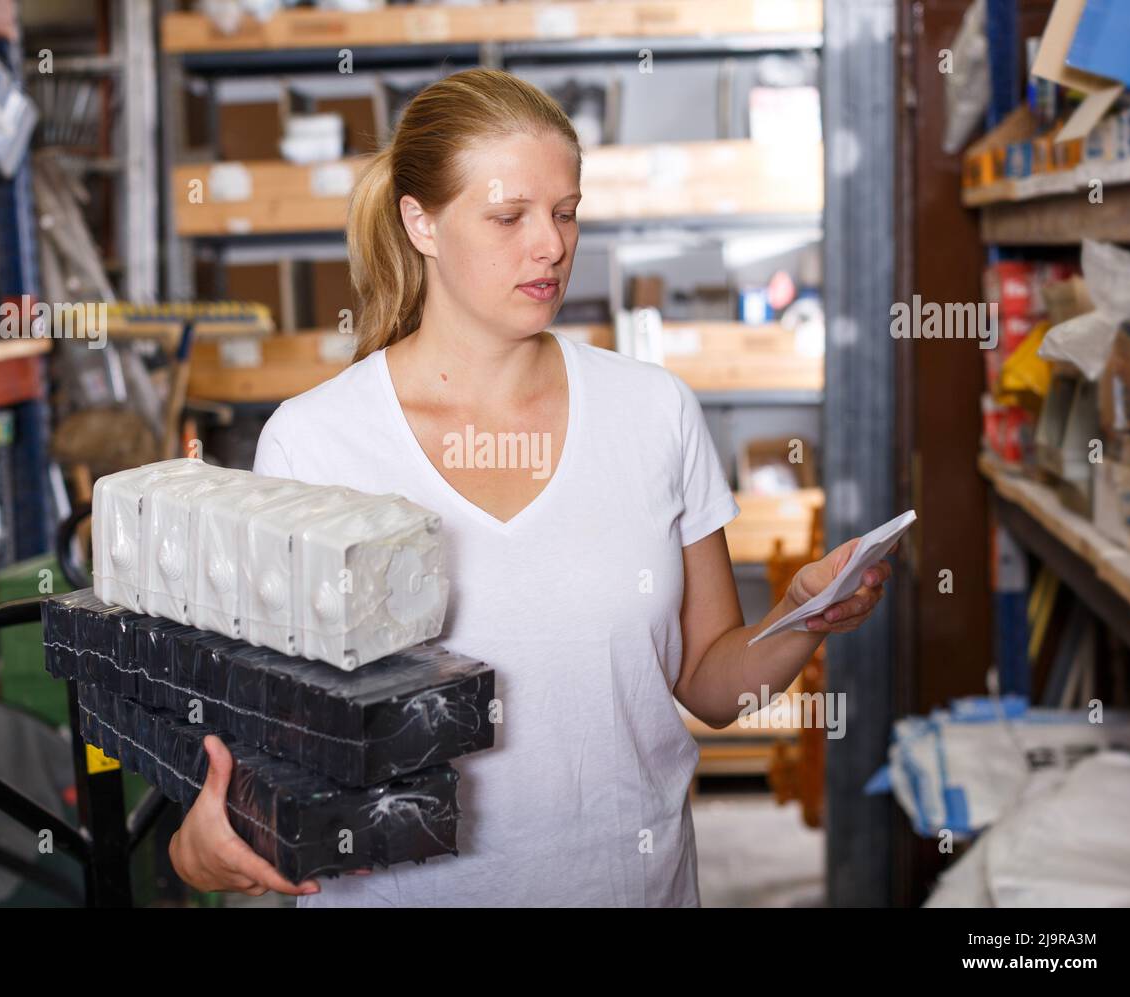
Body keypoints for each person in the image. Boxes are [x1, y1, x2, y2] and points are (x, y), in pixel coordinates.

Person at [169, 68, 893, 907]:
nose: (550, 245)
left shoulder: (652, 411)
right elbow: (277, 734)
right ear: (421, 222)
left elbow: (708, 682)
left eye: (566, 212)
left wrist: (802, 618)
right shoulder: (317, 440)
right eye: (509, 217)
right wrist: (207, 834)